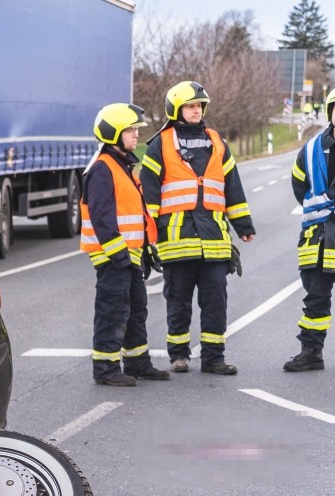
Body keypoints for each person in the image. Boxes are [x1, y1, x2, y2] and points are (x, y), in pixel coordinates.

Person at [140, 81, 255, 374]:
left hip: (215, 241)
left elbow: (232, 186)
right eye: (191, 106)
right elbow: (150, 195)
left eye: (199, 106)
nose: (196, 111)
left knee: (216, 300)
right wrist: (147, 238)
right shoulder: (160, 145)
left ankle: (214, 358)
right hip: (177, 241)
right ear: (176, 109)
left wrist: (243, 224)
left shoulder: (216, 141)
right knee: (178, 301)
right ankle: (179, 355)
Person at [80, 103, 165, 385]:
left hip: (129, 256)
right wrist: (119, 255)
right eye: (130, 130)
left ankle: (138, 363)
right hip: (113, 258)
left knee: (136, 309)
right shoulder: (103, 168)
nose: (136, 135)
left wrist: (145, 251)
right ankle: (105, 369)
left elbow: (134, 214)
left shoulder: (122, 165)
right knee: (112, 311)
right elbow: (102, 218)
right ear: (114, 133)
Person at [286, 88, 335, 372]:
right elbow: (299, 185)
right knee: (315, 298)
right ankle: (311, 352)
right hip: (318, 236)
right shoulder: (313, 147)